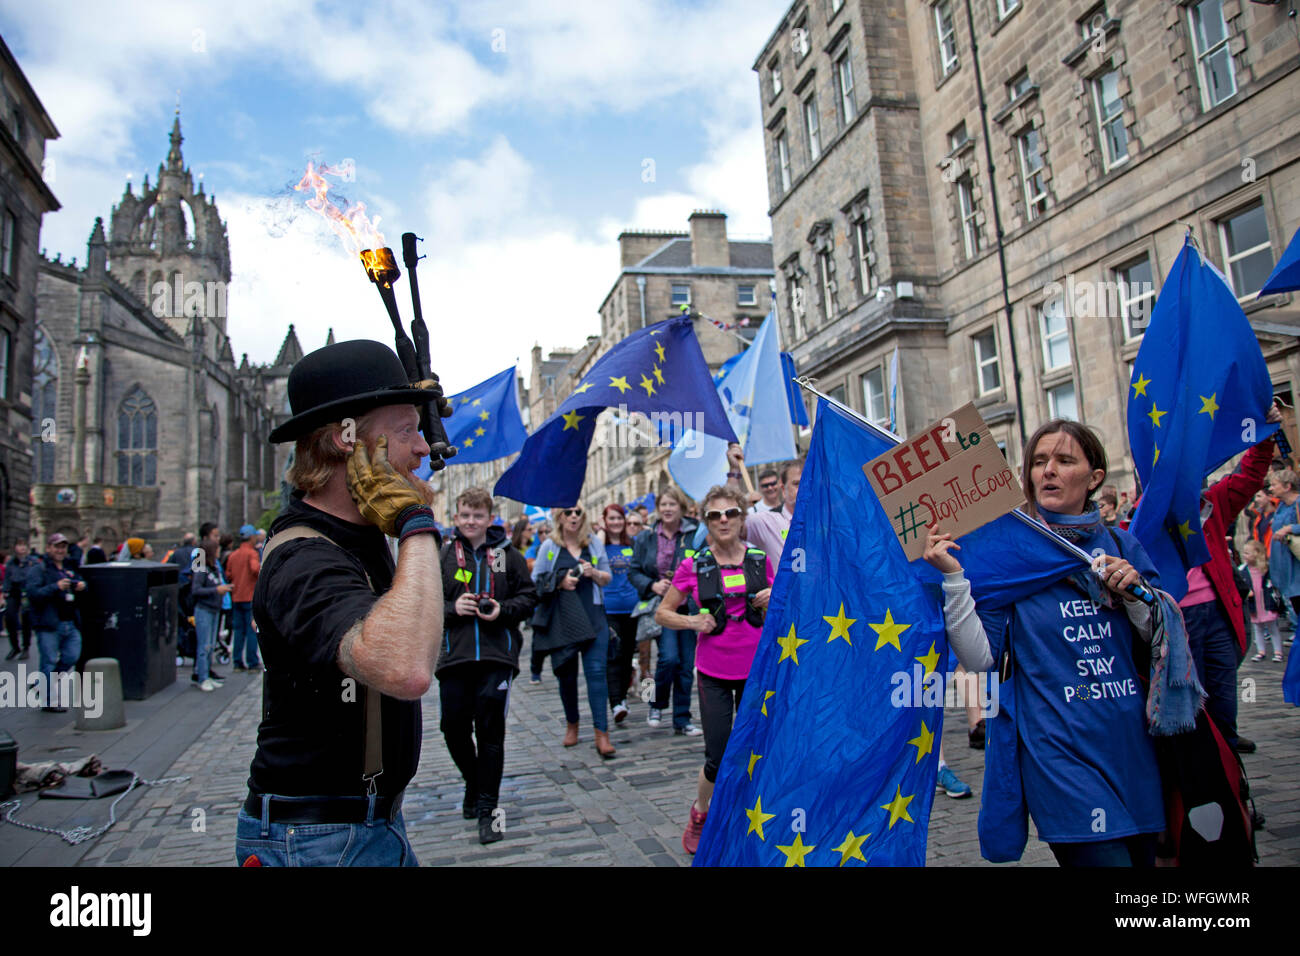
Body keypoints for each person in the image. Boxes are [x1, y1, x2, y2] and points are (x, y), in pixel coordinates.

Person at [238, 338, 447, 867]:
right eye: (405, 431)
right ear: (344, 440)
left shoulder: (358, 535)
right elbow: (404, 669)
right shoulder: (303, 557)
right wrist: (415, 523)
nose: (423, 448)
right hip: (317, 839)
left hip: (366, 826)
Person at [925, 419, 1169, 867]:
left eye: (1064, 460)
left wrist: (1135, 592)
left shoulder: (1120, 543)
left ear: (1095, 477)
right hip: (1057, 752)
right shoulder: (1009, 556)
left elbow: (1161, 640)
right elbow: (980, 659)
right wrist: (954, 579)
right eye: (1039, 462)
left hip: (1130, 744)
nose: (1048, 471)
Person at [655, 486, 774, 853]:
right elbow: (663, 612)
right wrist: (693, 622)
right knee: (719, 755)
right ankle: (700, 811)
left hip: (756, 670)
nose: (724, 520)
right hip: (714, 672)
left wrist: (774, 598)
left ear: (741, 519)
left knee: (759, 748)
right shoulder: (695, 564)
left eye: (731, 513)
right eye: (715, 515)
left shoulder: (758, 558)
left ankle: (752, 816)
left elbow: (781, 610)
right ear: (705, 520)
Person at [1177, 401, 1278, 755]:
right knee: (1191, 709)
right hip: (1181, 621)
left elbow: (1249, 477)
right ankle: (1206, 789)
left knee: (1223, 701)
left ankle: (1235, 786)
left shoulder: (1214, 502)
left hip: (1218, 614)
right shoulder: (1145, 517)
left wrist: (1264, 437)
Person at [437, 487, 537, 844]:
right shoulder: (446, 554)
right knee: (453, 728)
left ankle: (487, 809)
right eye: (465, 515)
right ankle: (474, 781)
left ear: (489, 518)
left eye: (477, 516)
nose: (470, 522)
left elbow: (528, 598)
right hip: (455, 655)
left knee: (491, 732)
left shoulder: (505, 554)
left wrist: (502, 609)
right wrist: (453, 608)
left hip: (497, 654)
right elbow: (427, 602)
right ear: (456, 516)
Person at [531, 504, 615, 756]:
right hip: (564, 619)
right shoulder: (550, 547)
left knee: (597, 674)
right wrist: (560, 581)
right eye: (568, 512)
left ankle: (602, 733)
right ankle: (572, 724)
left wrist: (594, 572)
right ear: (559, 517)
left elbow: (607, 577)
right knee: (566, 675)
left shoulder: (593, 543)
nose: (574, 516)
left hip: (593, 615)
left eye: (578, 512)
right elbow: (537, 578)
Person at [629, 487, 702, 735]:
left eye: (672, 504)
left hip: (690, 608)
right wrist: (652, 585)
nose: (668, 509)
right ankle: (657, 703)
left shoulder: (694, 534)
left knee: (686, 665)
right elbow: (634, 571)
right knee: (669, 659)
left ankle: (682, 718)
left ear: (681, 507)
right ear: (658, 509)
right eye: (663, 505)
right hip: (664, 608)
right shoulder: (646, 537)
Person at [27, 533, 86, 713]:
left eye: (63, 547)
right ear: (48, 548)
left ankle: (40, 684)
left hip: (70, 621)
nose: (60, 550)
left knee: (72, 657)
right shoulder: (40, 569)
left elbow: (77, 583)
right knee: (49, 661)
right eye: (56, 547)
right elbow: (33, 594)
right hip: (49, 623)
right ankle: (49, 700)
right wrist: (56, 587)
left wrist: (80, 585)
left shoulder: (69, 566)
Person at [599, 504, 640, 724]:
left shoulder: (631, 544)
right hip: (608, 608)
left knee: (626, 656)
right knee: (613, 654)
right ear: (605, 521)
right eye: (611, 519)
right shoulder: (599, 545)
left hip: (632, 608)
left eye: (619, 518)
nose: (616, 522)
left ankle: (622, 698)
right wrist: (599, 533)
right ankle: (615, 702)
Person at [741, 457, 802, 565]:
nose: (804, 488)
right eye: (797, 483)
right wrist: (734, 474)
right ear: (783, 490)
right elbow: (730, 525)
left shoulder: (830, 522)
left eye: (810, 483)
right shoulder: (767, 522)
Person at [190, 540, 233, 691]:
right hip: (204, 609)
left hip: (214, 609)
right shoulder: (201, 567)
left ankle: (206, 674)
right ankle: (202, 677)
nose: (219, 551)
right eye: (216, 549)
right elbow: (195, 590)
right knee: (204, 645)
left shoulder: (214, 567)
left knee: (210, 645)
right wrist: (216, 590)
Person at [226, 524, 262, 673]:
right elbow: (255, 569)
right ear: (252, 537)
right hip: (249, 597)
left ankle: (237, 663)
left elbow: (228, 574)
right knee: (251, 630)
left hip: (236, 597)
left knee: (238, 631)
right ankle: (252, 662)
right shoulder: (251, 553)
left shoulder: (233, 555)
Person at [1240, 541, 1284, 662]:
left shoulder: (1266, 568)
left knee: (1273, 628)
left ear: (1257, 554)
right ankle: (1261, 651)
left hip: (1267, 603)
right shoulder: (1243, 569)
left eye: (1247, 553)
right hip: (1254, 604)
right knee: (1258, 629)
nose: (1244, 555)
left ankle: (1278, 651)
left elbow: (1275, 584)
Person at [4, 538, 38, 661]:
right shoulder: (11, 563)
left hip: (26, 592)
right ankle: (15, 646)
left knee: (26, 619)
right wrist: (4, 593)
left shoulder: (33, 562)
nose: (22, 548)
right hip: (14, 591)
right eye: (19, 545)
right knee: (10, 617)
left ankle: (26, 647)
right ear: (15, 548)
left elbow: (37, 576)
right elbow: (7, 578)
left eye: (24, 545)